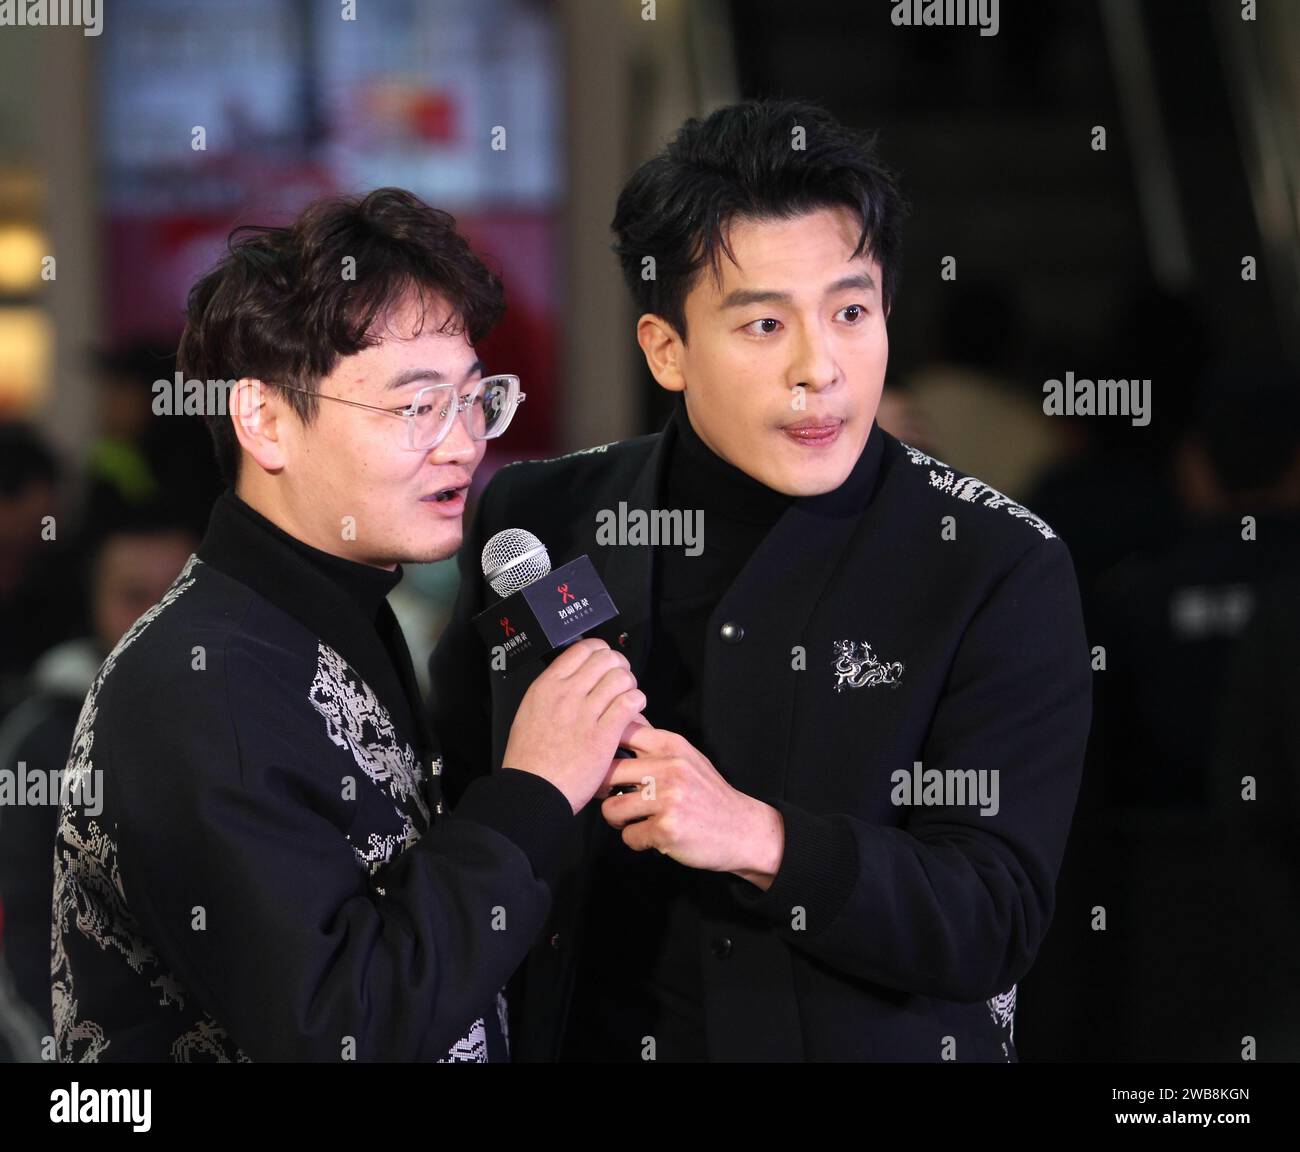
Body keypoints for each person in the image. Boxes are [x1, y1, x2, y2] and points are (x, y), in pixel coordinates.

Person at [429, 99, 1092, 1062]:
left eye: (851, 312)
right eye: (764, 325)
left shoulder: (995, 563)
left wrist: (759, 838)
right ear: (666, 348)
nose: (818, 368)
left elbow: (994, 918)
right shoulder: (541, 515)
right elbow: (461, 790)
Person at [52, 188, 645, 1062]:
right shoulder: (200, 681)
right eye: (415, 407)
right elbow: (340, 1024)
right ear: (264, 420)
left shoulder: (332, 616)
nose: (462, 443)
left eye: (475, 398)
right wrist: (535, 791)